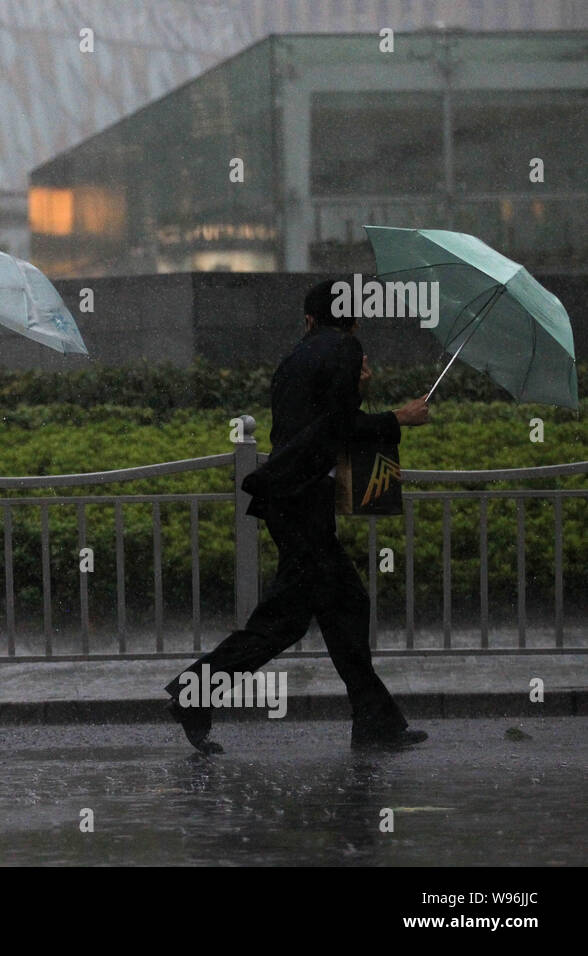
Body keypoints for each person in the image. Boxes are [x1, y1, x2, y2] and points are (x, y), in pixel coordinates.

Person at [164, 279, 432, 754]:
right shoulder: (346, 348)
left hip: (290, 502)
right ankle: (193, 694)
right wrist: (399, 417)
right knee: (291, 621)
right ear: (352, 319)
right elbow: (338, 427)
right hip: (304, 505)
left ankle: (376, 722)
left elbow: (309, 426)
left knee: (335, 610)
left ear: (310, 319)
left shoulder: (296, 357)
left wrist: (357, 392)